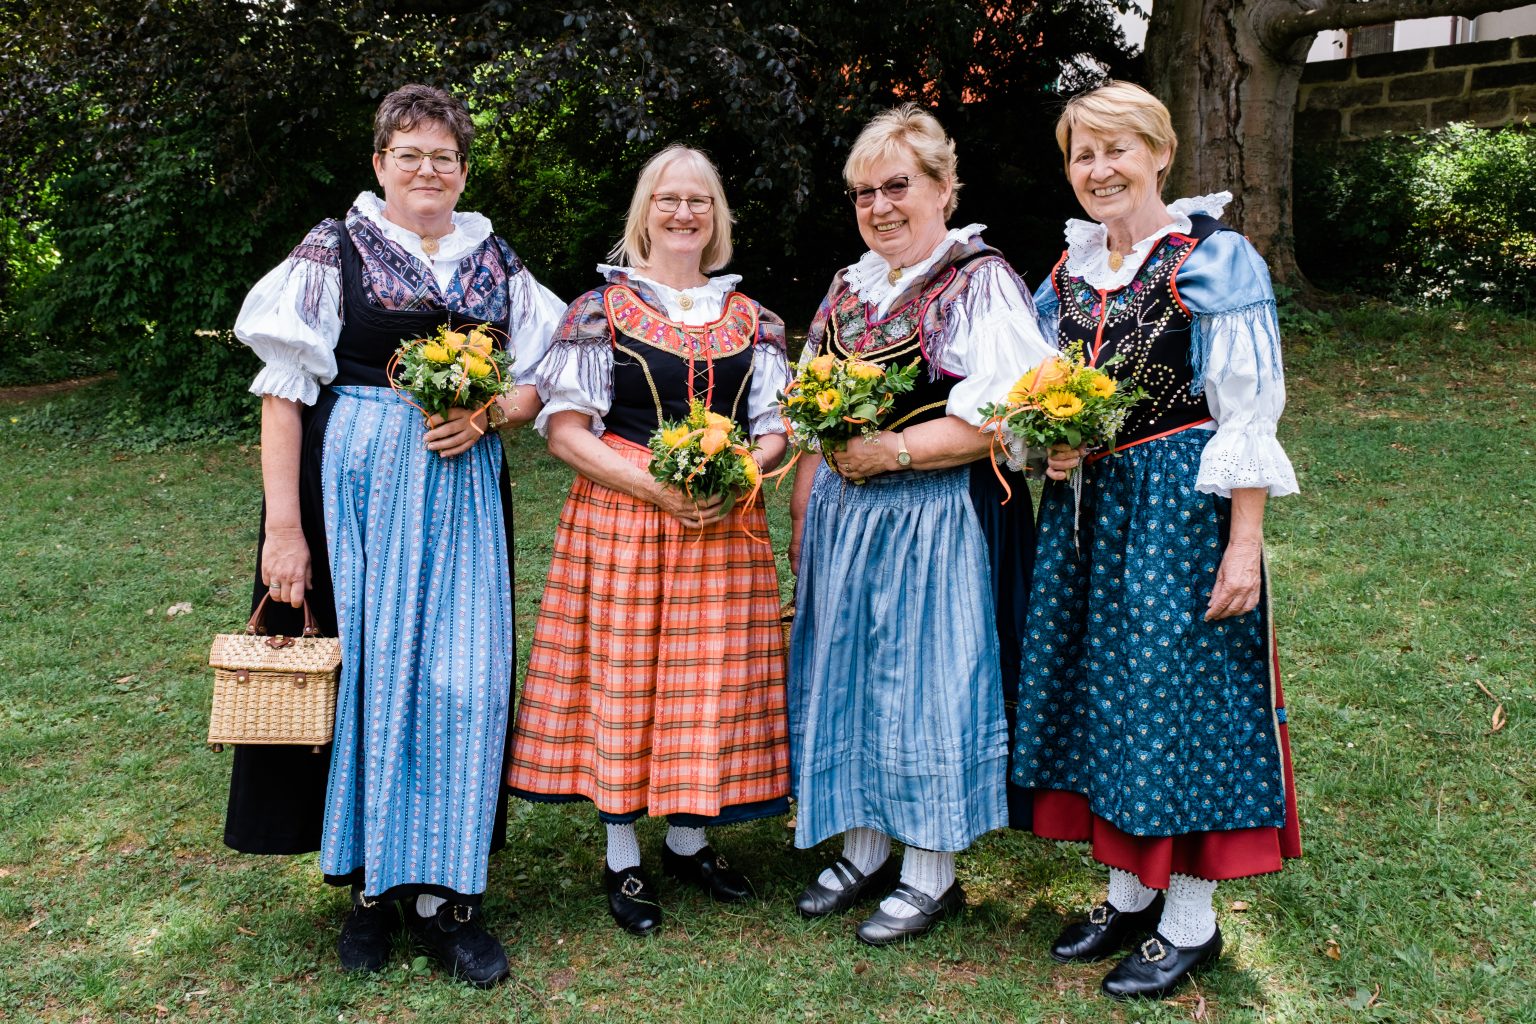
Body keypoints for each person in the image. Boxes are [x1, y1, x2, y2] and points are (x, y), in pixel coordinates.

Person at [228, 83, 564, 986]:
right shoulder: (332, 250)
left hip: (460, 500)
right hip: (360, 498)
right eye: (408, 154)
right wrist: (286, 532)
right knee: (373, 683)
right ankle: (373, 890)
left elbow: (556, 372)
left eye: (443, 157)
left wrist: (493, 412)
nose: (427, 170)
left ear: (462, 170)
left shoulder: (492, 256)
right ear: (380, 164)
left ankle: (448, 899)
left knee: (465, 682)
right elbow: (282, 390)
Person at [1012, 80, 1302, 1000]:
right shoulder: (1065, 272)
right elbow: (1029, 386)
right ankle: (1126, 890)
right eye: (1081, 154)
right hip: (1090, 512)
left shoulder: (1212, 260)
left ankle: (1190, 921)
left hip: (1178, 510)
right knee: (1104, 693)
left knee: (1173, 703)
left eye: (1116, 150)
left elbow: (1246, 409)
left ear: (1160, 154)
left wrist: (1244, 542)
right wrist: (1047, 440)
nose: (1099, 170)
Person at [505, 145, 792, 937]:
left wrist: (743, 470)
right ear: (645, 211)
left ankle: (691, 840)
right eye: (667, 199)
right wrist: (654, 486)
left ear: (717, 216)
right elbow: (565, 431)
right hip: (625, 519)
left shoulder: (751, 318)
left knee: (712, 679)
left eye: (699, 200)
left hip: (724, 526)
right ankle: (624, 857)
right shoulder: (600, 309)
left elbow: (776, 427)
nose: (683, 213)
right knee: (625, 674)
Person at [786, 104, 1056, 946]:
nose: (881, 206)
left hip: (935, 516)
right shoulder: (846, 287)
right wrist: (804, 516)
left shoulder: (978, 280)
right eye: (865, 193)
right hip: (844, 519)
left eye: (898, 186)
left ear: (944, 186)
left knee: (925, 685)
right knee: (851, 670)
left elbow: (1014, 415)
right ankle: (864, 845)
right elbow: (808, 418)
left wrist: (894, 452)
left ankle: (929, 869)